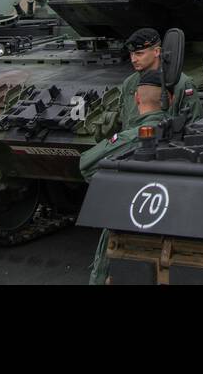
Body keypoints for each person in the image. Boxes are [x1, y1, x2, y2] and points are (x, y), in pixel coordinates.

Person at [80, 70, 171, 285]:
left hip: (129, 218)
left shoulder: (135, 135)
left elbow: (87, 165)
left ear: (137, 98)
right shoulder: (175, 126)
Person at [118, 28, 197, 130]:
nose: (133, 59)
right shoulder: (129, 83)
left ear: (156, 52)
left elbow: (194, 124)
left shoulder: (181, 83)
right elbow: (125, 120)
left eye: (139, 54)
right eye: (131, 54)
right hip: (132, 142)